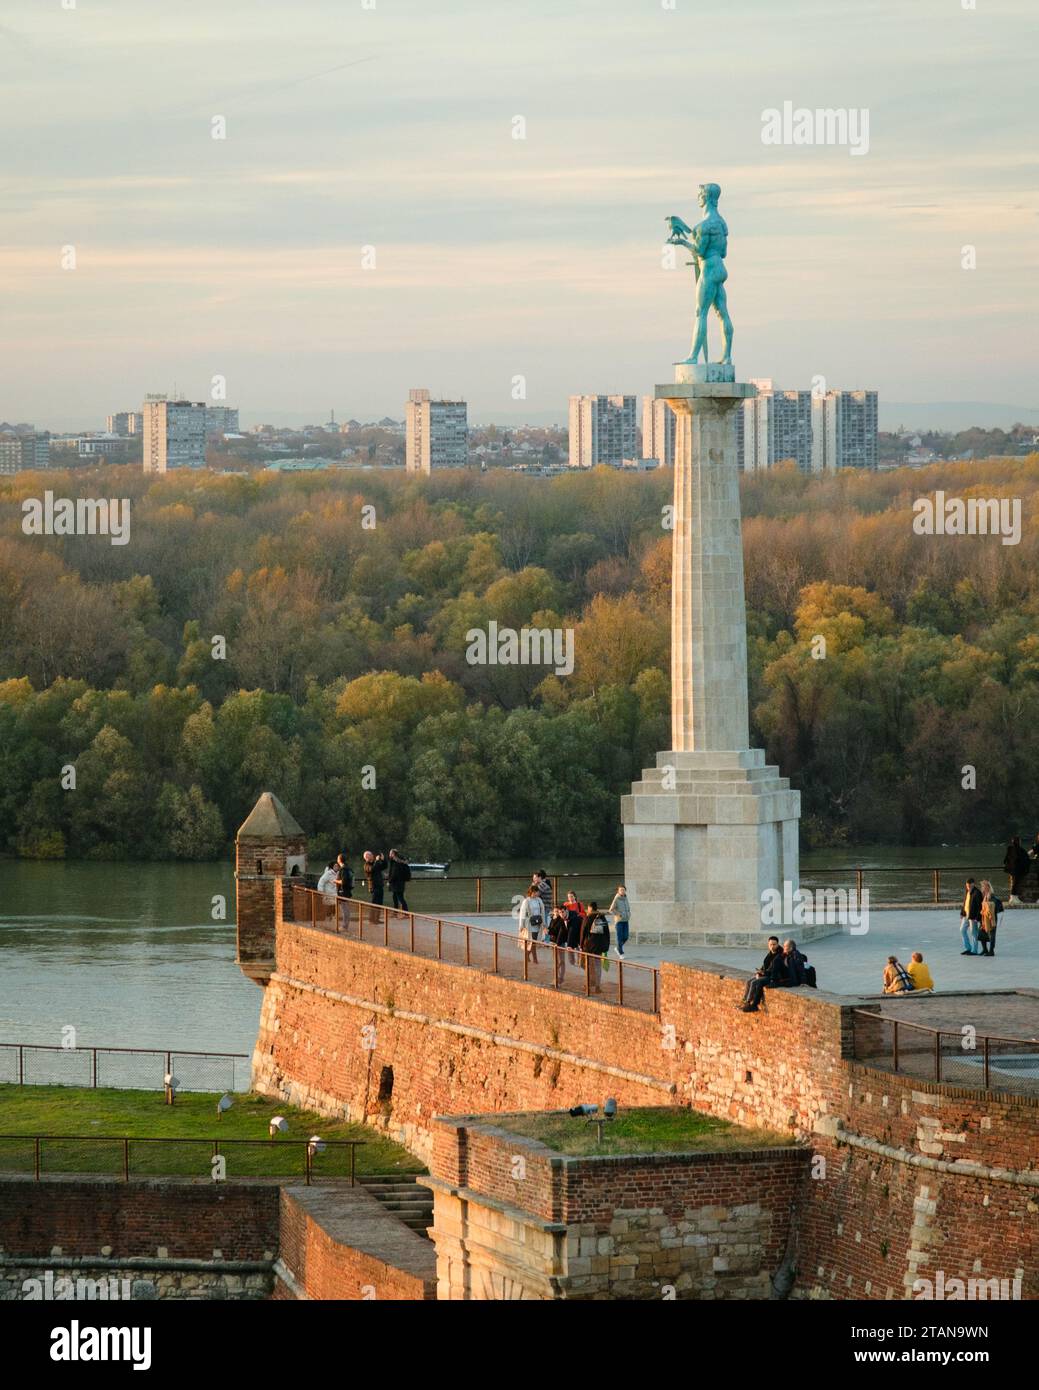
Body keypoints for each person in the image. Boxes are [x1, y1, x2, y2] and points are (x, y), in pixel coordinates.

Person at [739, 936, 783, 1009]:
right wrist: (759, 973)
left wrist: (762, 973)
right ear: (768, 945)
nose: (772, 946)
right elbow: (764, 966)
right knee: (749, 981)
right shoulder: (770, 954)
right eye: (770, 945)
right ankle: (744, 1001)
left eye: (774, 944)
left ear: (778, 944)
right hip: (766, 974)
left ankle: (748, 1003)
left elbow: (773, 970)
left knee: (754, 982)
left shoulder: (779, 955)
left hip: (773, 977)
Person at [579, 904, 611, 994]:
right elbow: (607, 933)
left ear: (590, 908)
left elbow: (583, 933)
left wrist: (581, 945)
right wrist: (606, 946)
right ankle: (597, 986)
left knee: (587, 966)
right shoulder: (602, 918)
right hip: (599, 947)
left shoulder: (587, 918)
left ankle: (588, 985)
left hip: (588, 947)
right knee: (597, 966)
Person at [517, 886, 543, 965]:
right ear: (531, 892)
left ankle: (527, 956)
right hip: (529, 924)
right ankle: (534, 959)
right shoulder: (526, 901)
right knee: (532, 942)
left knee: (534, 941)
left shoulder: (539, 900)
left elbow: (542, 911)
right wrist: (521, 925)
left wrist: (544, 923)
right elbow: (522, 913)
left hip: (537, 923)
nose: (536, 894)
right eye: (535, 892)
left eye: (537, 892)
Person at [978, 879, 1002, 957]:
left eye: (983, 886)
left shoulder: (992, 896)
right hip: (984, 917)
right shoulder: (984, 895)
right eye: (982, 886)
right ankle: (985, 949)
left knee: (992, 934)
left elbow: (993, 906)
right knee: (981, 932)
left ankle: (991, 951)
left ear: (988, 887)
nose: (982, 888)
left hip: (992, 918)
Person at [1003, 837, 1030, 906]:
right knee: (1016, 883)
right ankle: (1013, 897)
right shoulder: (1021, 850)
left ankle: (1014, 897)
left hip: (1012, 869)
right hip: (1018, 870)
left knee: (1015, 884)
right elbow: (1026, 858)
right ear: (1019, 842)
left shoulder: (1010, 849)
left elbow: (1006, 859)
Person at [545, 906, 569, 983]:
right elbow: (551, 928)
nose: (556, 913)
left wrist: (548, 931)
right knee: (556, 961)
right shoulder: (553, 919)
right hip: (553, 942)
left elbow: (558, 932)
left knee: (561, 961)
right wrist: (547, 930)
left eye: (557, 911)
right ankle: (558, 977)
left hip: (559, 943)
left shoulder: (560, 920)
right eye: (555, 911)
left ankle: (560, 978)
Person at [959, 878, 982, 955]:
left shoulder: (977, 893)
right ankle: (968, 948)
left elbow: (980, 907)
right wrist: (962, 913)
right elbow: (965, 902)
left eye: (969, 886)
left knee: (974, 933)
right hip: (966, 915)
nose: (968, 887)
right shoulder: (967, 891)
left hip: (973, 917)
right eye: (967, 886)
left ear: (973, 884)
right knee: (962, 930)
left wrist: (977, 917)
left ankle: (974, 950)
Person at [608, 885, 631, 957]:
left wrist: (629, 913)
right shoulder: (616, 899)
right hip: (619, 921)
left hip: (626, 920)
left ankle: (618, 948)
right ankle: (620, 953)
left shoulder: (625, 898)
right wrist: (619, 914)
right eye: (621, 890)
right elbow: (611, 910)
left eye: (623, 890)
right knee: (620, 937)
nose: (622, 891)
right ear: (618, 891)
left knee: (626, 937)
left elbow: (628, 908)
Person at [386, 849, 411, 913]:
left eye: (390, 853)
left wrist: (389, 881)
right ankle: (396, 911)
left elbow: (395, 873)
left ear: (393, 854)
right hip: (400, 882)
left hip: (396, 883)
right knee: (395, 896)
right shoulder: (400, 862)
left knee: (400, 898)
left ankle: (406, 913)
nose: (389, 855)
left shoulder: (396, 863)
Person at [563, 892, 585, 964]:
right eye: (569, 897)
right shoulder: (566, 905)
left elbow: (584, 914)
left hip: (578, 926)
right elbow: (563, 914)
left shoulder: (579, 904)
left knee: (578, 944)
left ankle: (580, 960)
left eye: (572, 896)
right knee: (570, 943)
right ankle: (572, 960)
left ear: (575, 897)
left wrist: (577, 914)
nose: (570, 898)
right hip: (569, 926)